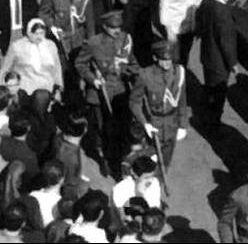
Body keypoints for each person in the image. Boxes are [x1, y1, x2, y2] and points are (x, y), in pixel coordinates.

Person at [75, 11, 139, 177]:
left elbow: (133, 62)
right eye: (112, 28)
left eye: (118, 27)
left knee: (122, 126)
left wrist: (131, 72)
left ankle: (120, 159)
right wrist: (92, 79)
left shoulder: (126, 39)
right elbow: (80, 64)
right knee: (101, 128)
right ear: (104, 27)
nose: (116, 31)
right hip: (99, 92)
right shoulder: (93, 43)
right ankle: (103, 158)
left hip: (120, 90)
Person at [129, 40, 189, 170]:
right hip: (154, 125)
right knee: (148, 164)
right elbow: (134, 102)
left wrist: (183, 124)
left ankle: (160, 183)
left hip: (172, 124)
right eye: (163, 59)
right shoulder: (145, 75)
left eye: (170, 59)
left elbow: (182, 100)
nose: (168, 63)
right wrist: (145, 123)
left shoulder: (179, 73)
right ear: (155, 58)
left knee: (165, 163)